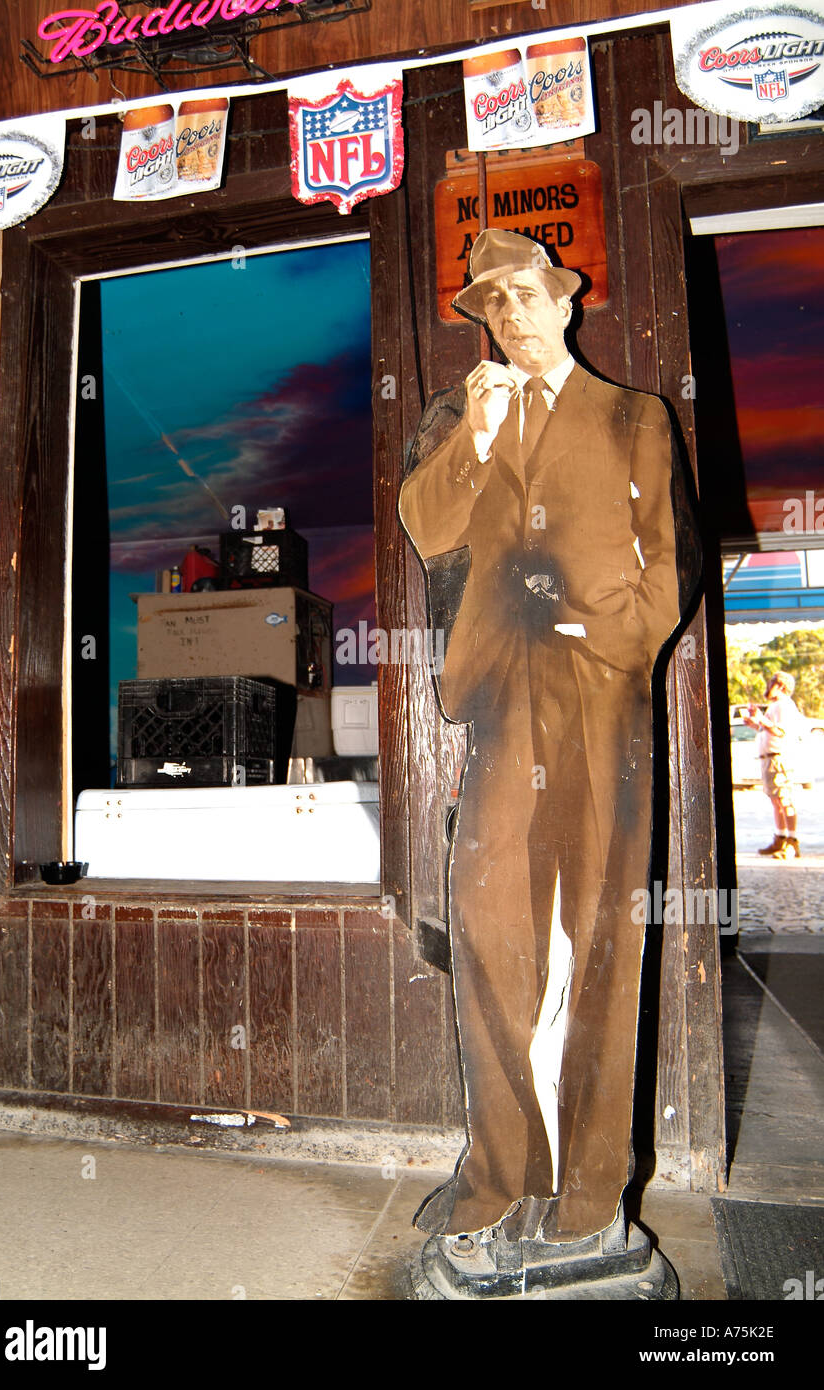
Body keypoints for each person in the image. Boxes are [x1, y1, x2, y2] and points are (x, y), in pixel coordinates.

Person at [399, 229, 695, 1261]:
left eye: (527, 296)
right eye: (494, 306)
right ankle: (498, 1174)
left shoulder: (632, 415)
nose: (513, 318)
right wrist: (472, 439)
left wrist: (614, 639)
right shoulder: (465, 421)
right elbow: (426, 527)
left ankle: (585, 1202)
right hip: (499, 698)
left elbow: (669, 557)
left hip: (598, 692)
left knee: (599, 935)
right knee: (488, 933)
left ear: (564, 301)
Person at [744, 671, 803, 860]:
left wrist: (761, 719)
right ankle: (780, 838)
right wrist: (755, 723)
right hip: (769, 758)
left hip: (779, 758)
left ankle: (791, 843)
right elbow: (767, 729)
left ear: (782, 686)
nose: (768, 686)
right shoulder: (775, 706)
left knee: (785, 800)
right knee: (776, 801)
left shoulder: (784, 706)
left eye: (772, 683)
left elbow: (779, 731)